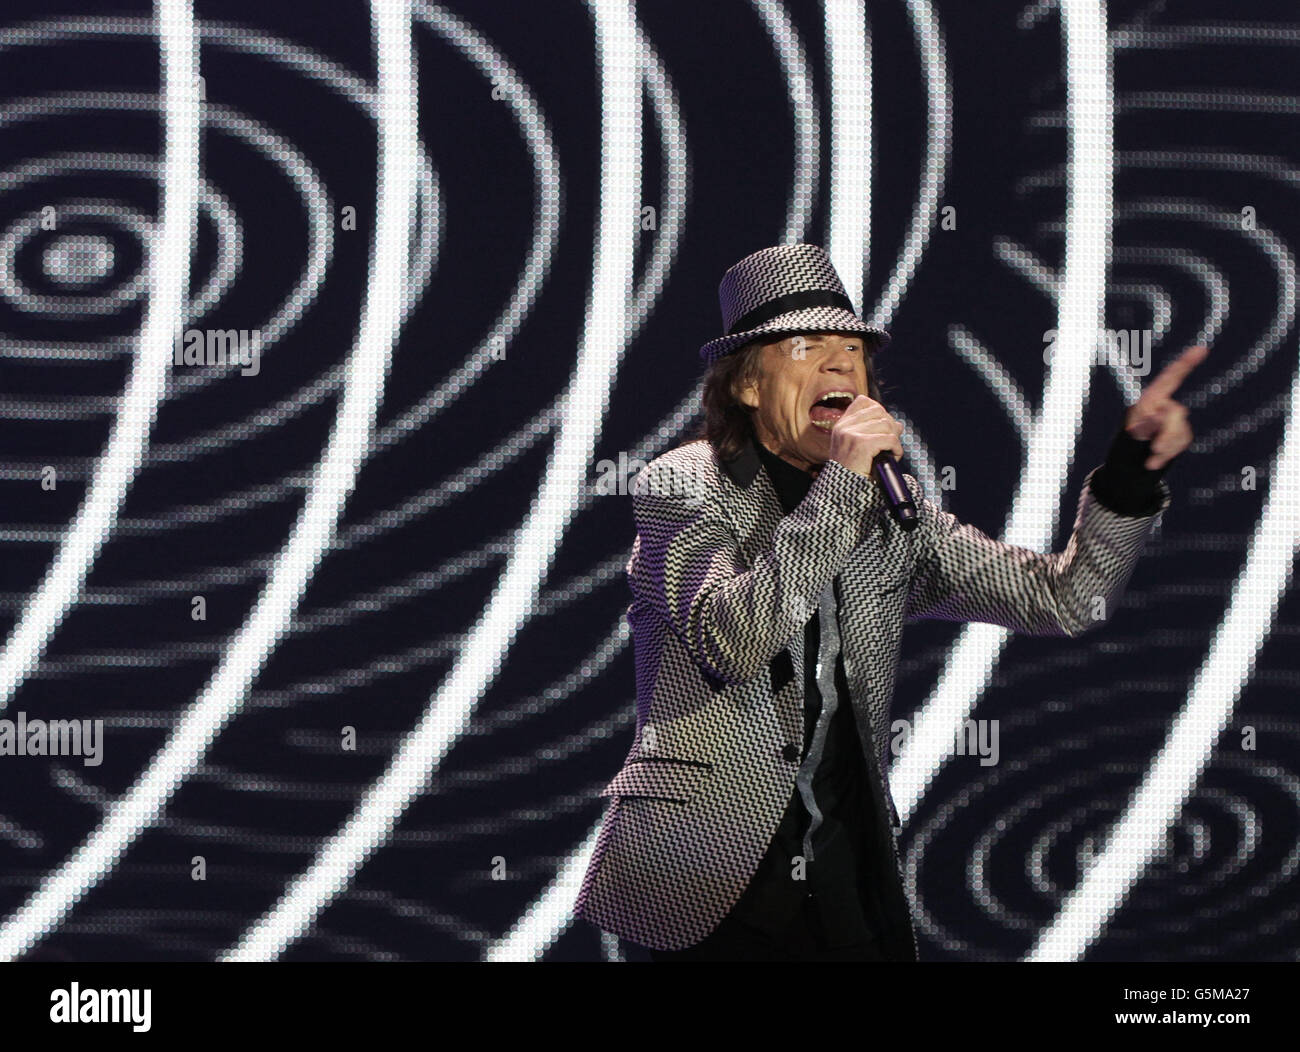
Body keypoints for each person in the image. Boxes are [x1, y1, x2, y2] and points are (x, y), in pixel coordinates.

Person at [573, 243, 1203, 961]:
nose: (842, 365)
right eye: (808, 346)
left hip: (847, 875)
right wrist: (843, 485)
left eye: (854, 349)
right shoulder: (683, 486)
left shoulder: (889, 512)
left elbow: (1065, 599)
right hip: (709, 880)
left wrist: (1129, 475)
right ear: (747, 385)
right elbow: (733, 641)